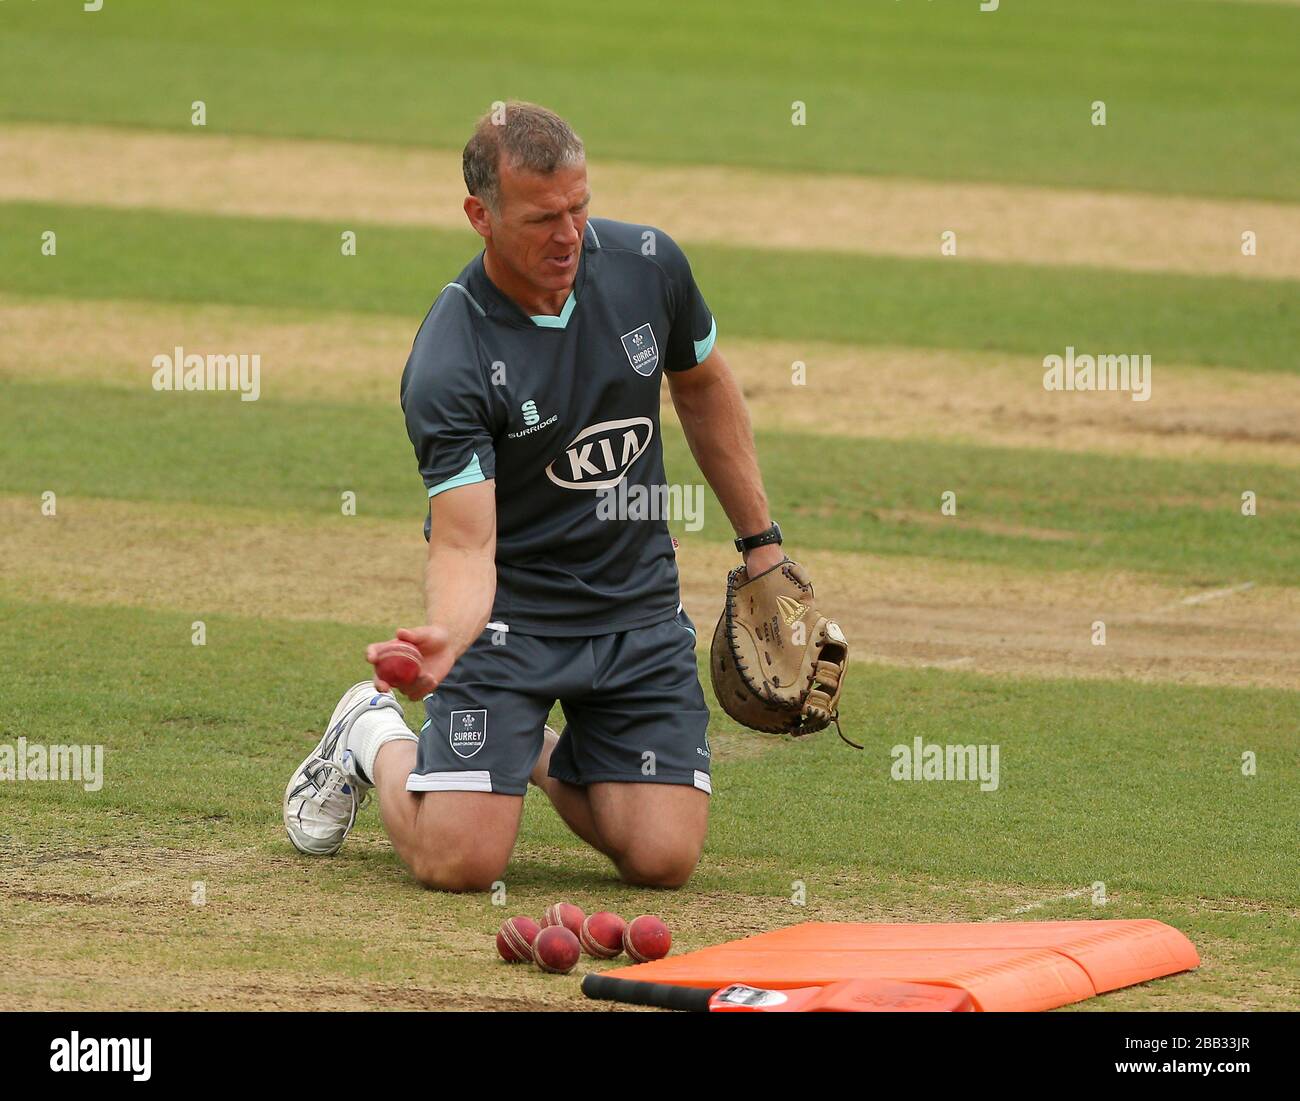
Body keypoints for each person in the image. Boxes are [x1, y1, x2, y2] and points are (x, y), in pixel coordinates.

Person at [285, 101, 788, 891]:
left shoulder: (649, 266)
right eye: (542, 217)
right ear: (479, 216)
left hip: (635, 611)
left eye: (579, 208)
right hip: (507, 622)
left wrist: (763, 543)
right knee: (461, 861)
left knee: (662, 857)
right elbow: (463, 541)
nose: (569, 236)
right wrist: (449, 636)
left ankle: (529, 754)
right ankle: (372, 731)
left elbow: (704, 384)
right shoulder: (452, 358)